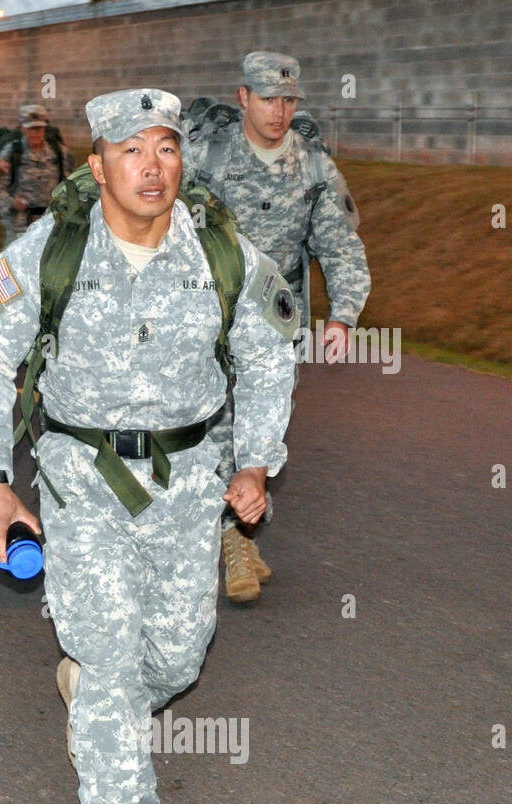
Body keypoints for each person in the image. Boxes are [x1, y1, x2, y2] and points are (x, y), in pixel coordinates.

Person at [0, 89, 297, 804]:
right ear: (97, 165)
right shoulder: (50, 251)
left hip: (188, 478)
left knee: (177, 653)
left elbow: (271, 352)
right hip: (80, 477)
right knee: (108, 655)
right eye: (131, 150)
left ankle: (96, 700)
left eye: (167, 148)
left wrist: (256, 462)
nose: (152, 166)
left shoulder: (221, 252)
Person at [182, 51, 370, 604]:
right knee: (217, 425)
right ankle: (234, 537)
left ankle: (233, 527)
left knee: (261, 429)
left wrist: (344, 314)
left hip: (274, 320)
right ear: (243, 97)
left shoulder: (313, 166)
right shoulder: (204, 156)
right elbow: (147, 214)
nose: (279, 110)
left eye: (289, 100)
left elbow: (340, 245)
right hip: (208, 312)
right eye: (268, 98)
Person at [0, 104, 72, 246]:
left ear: (45, 128)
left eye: (39, 128)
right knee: (17, 267)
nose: (35, 133)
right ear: (22, 129)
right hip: (19, 224)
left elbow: (69, 186)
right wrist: (11, 203)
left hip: (50, 223)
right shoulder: (12, 152)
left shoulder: (59, 152)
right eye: (31, 128)